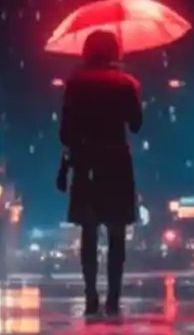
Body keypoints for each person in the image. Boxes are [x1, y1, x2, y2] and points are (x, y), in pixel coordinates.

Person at [56, 30, 142, 315]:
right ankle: (113, 297)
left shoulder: (75, 84)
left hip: (86, 162)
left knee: (88, 230)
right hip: (117, 162)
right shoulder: (126, 83)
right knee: (117, 232)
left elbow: (65, 133)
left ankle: (90, 294)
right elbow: (136, 125)